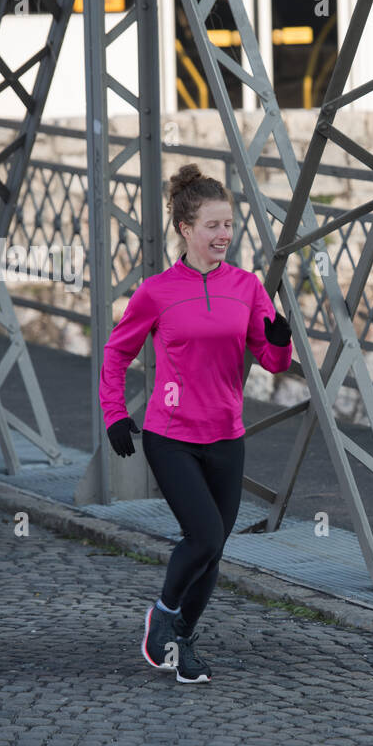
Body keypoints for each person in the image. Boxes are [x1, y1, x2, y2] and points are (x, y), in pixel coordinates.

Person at [99, 163, 294, 683]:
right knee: (204, 535)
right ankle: (162, 617)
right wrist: (116, 414)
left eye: (229, 225)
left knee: (213, 550)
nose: (224, 235)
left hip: (227, 435)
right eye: (213, 225)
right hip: (172, 436)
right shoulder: (157, 292)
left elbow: (272, 363)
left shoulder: (247, 287)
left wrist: (279, 339)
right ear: (186, 230)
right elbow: (117, 352)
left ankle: (180, 643)